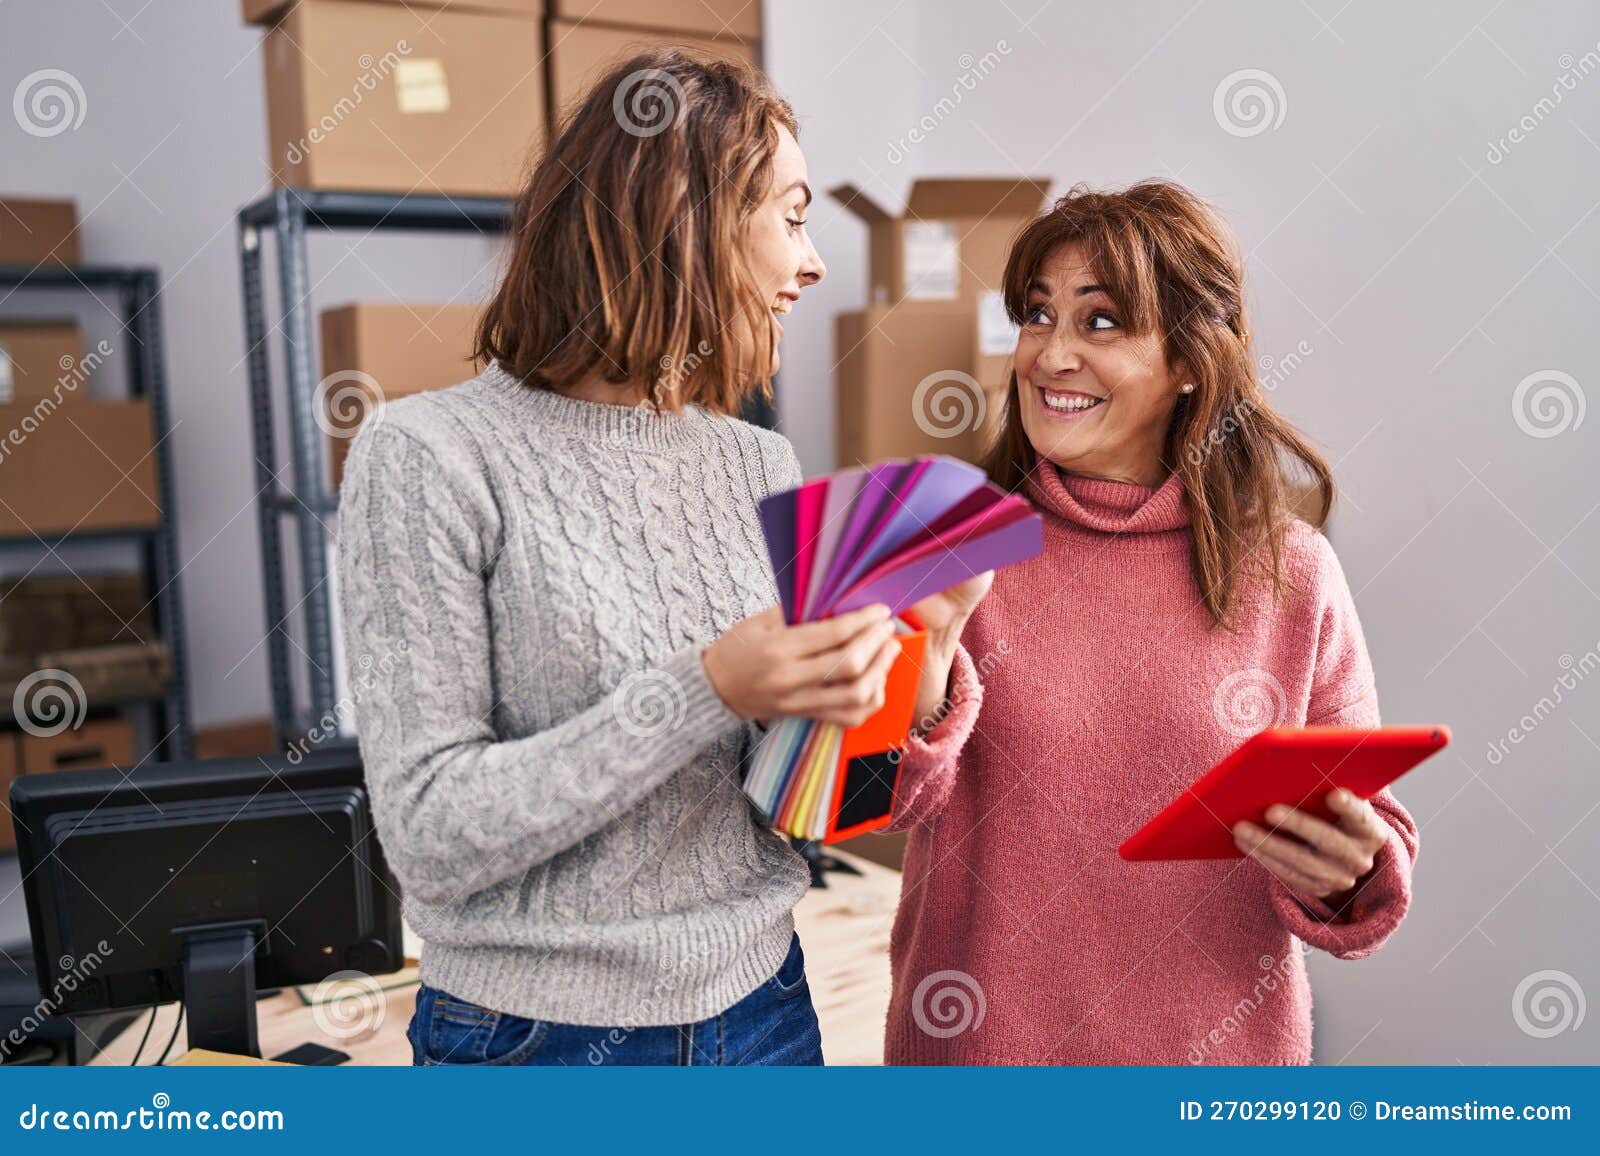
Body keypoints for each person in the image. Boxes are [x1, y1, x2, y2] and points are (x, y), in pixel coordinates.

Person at [337, 49, 907, 1066]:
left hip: (765, 1007)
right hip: (531, 1042)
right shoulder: (428, 456)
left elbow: (796, 807)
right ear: (683, 218)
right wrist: (706, 685)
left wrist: (909, 662)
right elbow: (428, 832)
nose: (811, 262)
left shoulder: (757, 459)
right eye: (791, 215)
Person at [881, 181, 1418, 1065]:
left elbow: (1368, 840)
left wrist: (1353, 869)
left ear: (1190, 363)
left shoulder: (1290, 570)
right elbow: (873, 803)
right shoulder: (952, 540)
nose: (1050, 355)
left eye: (1100, 323)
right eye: (1037, 315)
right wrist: (932, 654)